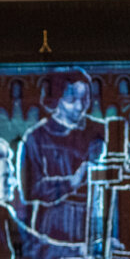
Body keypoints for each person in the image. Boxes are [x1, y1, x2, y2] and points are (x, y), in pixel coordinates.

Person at [18, 70, 107, 245]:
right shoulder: (36, 138)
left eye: (84, 99)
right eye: (71, 100)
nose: (79, 107)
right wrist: (71, 182)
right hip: (53, 223)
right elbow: (29, 190)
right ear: (55, 99)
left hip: (92, 220)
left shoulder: (100, 130)